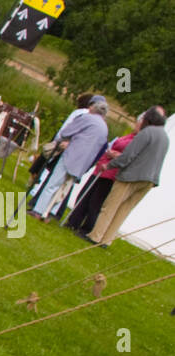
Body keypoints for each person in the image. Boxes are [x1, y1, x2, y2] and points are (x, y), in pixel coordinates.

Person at [86, 105, 169, 247]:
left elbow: (128, 156)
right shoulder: (165, 138)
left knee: (111, 206)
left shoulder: (146, 133)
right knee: (123, 211)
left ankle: (96, 236)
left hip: (132, 176)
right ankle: (107, 240)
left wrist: (109, 165)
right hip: (150, 181)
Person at [29, 95, 109, 220]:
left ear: (93, 107)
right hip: (84, 163)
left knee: (52, 184)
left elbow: (65, 132)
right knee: (64, 189)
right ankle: (50, 213)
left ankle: (38, 211)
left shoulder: (87, 118)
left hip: (71, 156)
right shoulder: (105, 128)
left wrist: (62, 141)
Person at [64, 119, 140, 236]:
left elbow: (129, 157)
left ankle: (87, 228)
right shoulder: (129, 136)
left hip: (111, 173)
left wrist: (115, 155)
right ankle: (74, 221)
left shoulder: (138, 141)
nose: (136, 125)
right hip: (101, 168)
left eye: (139, 123)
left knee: (95, 202)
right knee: (85, 196)